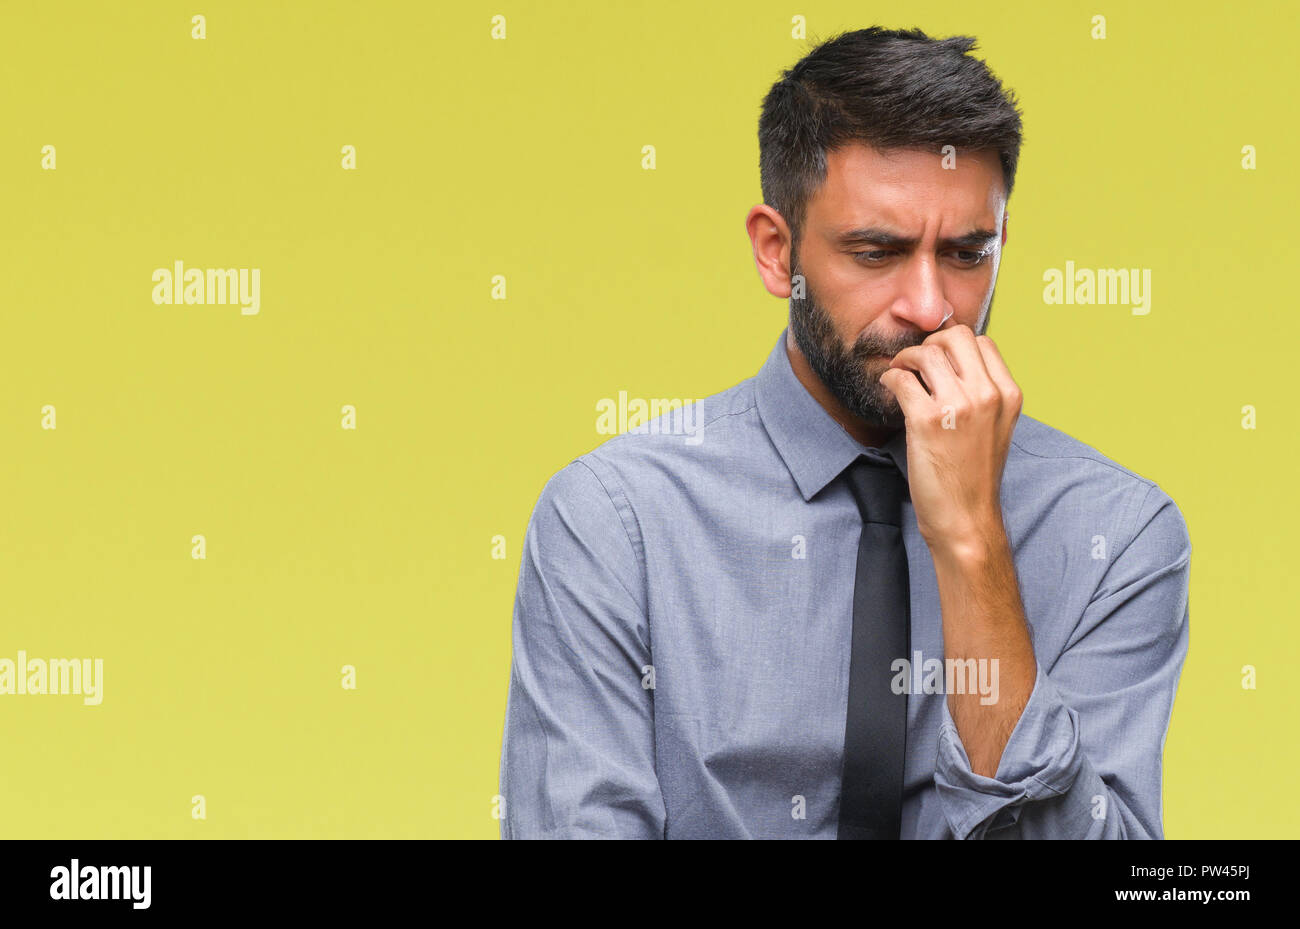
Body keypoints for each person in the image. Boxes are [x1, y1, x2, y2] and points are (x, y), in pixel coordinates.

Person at [497, 26, 1191, 839]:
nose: (931, 307)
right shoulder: (616, 525)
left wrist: (972, 544)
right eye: (877, 252)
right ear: (775, 250)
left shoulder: (1119, 535)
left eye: (967, 253)